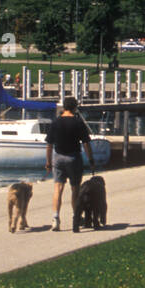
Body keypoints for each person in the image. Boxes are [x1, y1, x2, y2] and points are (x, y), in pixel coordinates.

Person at [45, 95, 96, 232]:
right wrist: (91, 160)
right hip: (73, 158)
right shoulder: (78, 122)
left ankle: (55, 219)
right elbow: (86, 143)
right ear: (75, 107)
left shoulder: (56, 122)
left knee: (58, 188)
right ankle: (77, 217)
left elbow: (49, 144)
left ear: (64, 107)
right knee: (75, 189)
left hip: (58, 157)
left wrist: (48, 162)